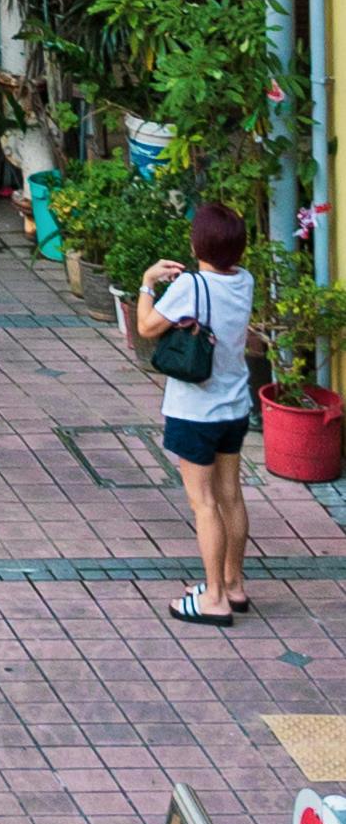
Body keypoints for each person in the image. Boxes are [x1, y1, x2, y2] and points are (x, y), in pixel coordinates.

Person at [139, 202, 259, 622]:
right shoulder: (245, 281)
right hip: (235, 405)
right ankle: (233, 584)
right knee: (231, 496)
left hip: (195, 410)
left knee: (204, 504)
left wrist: (147, 283)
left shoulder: (191, 285)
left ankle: (212, 601)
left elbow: (147, 327)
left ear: (198, 243)